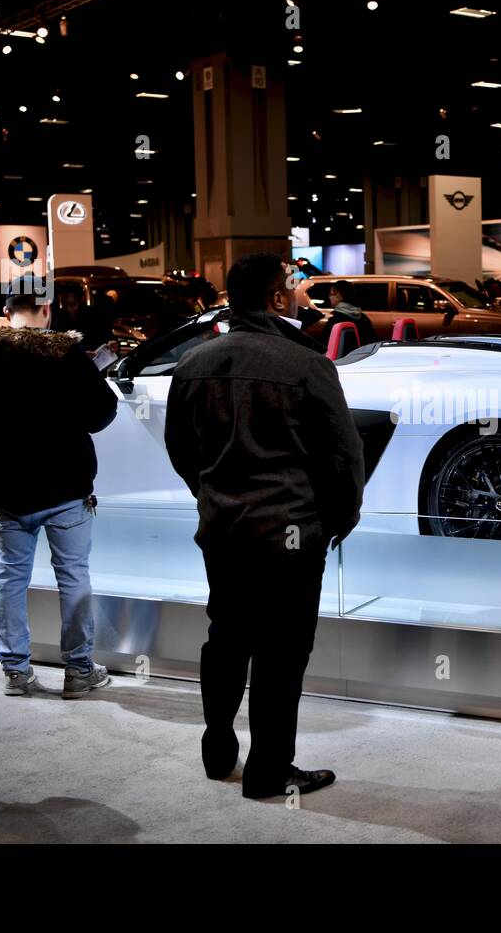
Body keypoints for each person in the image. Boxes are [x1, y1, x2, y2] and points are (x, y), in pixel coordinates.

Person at [165, 253, 365, 800]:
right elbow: (344, 456)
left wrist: (210, 496)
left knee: (226, 636)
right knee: (281, 652)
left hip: (223, 529)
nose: (300, 294)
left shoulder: (193, 364)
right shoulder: (307, 364)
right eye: (294, 286)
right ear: (277, 299)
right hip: (290, 534)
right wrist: (337, 519)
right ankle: (268, 769)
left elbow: (181, 451)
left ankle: (218, 745)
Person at [0, 291, 118, 697]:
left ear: (6, 314)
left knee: (10, 578)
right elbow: (102, 412)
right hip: (66, 485)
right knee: (74, 577)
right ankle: (78, 671)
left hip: (7, 490)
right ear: (47, 310)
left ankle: (16, 672)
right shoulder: (68, 357)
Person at [320, 279, 377, 349]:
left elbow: (325, 345)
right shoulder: (363, 318)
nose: (329, 297)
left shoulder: (335, 320)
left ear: (338, 296)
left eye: (331, 294)